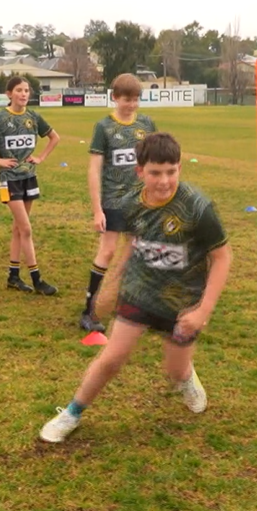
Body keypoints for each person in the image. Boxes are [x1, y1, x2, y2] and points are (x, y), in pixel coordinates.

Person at [39, 132, 234, 444]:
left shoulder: (198, 207)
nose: (164, 180)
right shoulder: (131, 204)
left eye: (171, 171)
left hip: (183, 302)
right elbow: (131, 246)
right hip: (140, 290)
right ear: (140, 171)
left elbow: (222, 258)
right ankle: (72, 412)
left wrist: (203, 311)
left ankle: (185, 377)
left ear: (180, 167)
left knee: (174, 370)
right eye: (155, 172)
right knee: (111, 359)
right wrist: (111, 286)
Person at [0, 76, 62, 295]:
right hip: (9, 179)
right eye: (19, 90)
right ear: (9, 94)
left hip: (28, 176)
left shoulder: (33, 116)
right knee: (26, 228)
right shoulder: (0, 118)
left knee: (19, 229)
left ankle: (13, 276)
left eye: (27, 90)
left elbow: (54, 137)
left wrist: (41, 157)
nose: (24, 94)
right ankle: (37, 279)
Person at [79, 73, 157, 333]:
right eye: (126, 99)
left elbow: (152, 163)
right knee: (108, 251)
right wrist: (97, 209)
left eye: (136, 99)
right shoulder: (104, 127)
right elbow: (94, 169)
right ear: (114, 98)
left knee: (135, 253)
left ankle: (133, 305)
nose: (132, 105)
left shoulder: (146, 124)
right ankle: (89, 310)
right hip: (112, 200)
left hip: (140, 202)